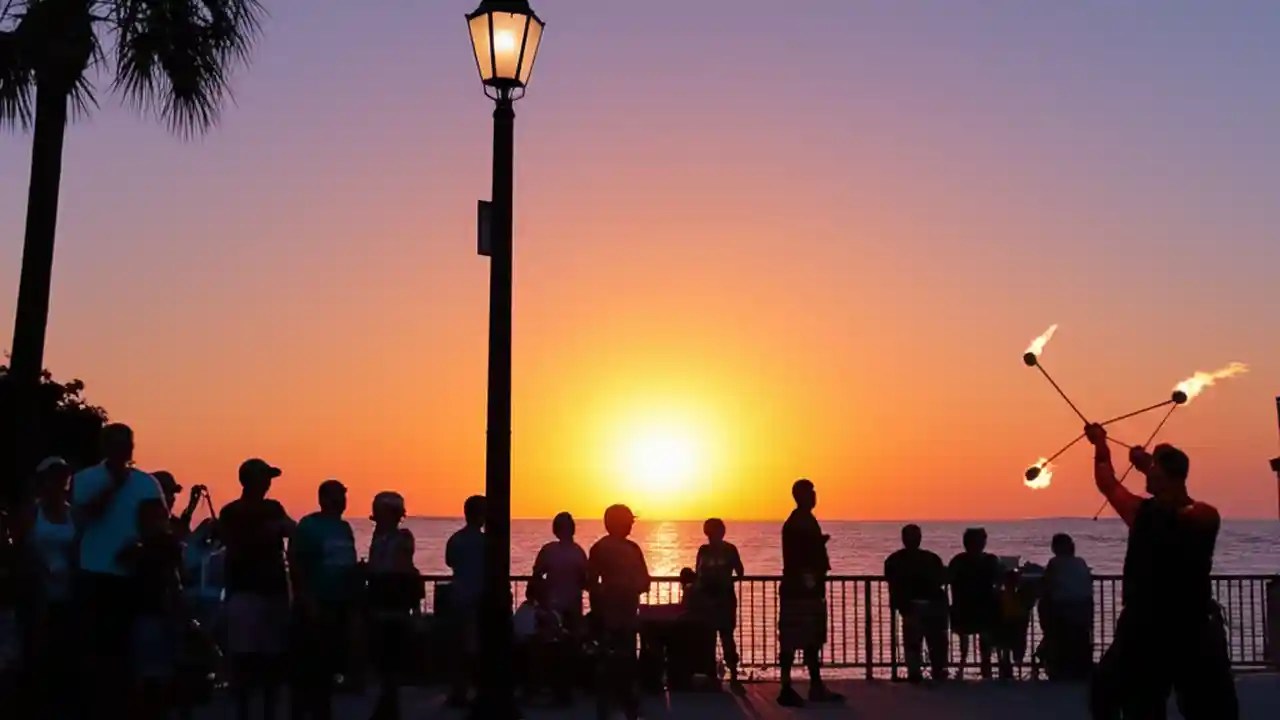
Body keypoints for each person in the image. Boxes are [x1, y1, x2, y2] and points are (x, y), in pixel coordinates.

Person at [1085, 424, 1238, 719]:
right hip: (1184, 625)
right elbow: (1110, 483)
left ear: (1163, 474)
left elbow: (1109, 483)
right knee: (1126, 696)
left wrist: (1101, 446)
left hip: (1155, 627)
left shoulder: (1160, 514)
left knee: (1134, 699)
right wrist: (1111, 450)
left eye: (1155, 468)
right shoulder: (1201, 515)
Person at [70, 423, 165, 714]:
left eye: (127, 444)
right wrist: (114, 486)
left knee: (130, 655)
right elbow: (83, 519)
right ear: (105, 447)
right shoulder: (85, 479)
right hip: (94, 575)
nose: (122, 450)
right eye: (116, 443)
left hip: (132, 578)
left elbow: (157, 527)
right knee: (97, 655)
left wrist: (140, 548)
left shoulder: (147, 483)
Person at [220, 458, 295, 720]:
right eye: (265, 478)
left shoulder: (272, 508)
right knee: (247, 659)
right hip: (246, 592)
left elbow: (291, 529)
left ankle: (265, 713)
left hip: (269, 592)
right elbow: (232, 544)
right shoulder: (233, 512)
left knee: (269, 659)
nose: (268, 484)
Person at [289, 479, 359, 720]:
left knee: (330, 663)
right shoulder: (309, 526)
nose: (341, 501)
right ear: (323, 499)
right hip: (316, 604)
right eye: (336, 496)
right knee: (310, 665)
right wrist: (307, 600)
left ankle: (322, 710)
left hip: (340, 604)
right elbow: (297, 564)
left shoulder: (345, 528)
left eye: (343, 495)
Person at [15, 457, 77, 716]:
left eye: (63, 477)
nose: (60, 483)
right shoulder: (31, 513)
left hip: (66, 598)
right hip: (36, 597)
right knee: (34, 656)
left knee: (62, 659)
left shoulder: (74, 514)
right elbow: (18, 549)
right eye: (54, 477)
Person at [777, 479, 843, 707]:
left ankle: (810, 685)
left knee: (806, 640)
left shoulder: (802, 521)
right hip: (803, 590)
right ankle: (790, 687)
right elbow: (802, 554)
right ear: (800, 496)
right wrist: (818, 544)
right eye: (810, 493)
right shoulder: (800, 522)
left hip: (800, 589)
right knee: (798, 640)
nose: (814, 497)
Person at [587, 504, 650, 720]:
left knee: (606, 663)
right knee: (626, 663)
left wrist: (598, 608)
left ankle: (608, 708)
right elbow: (645, 582)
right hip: (625, 616)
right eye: (630, 521)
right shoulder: (632, 549)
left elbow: (591, 583)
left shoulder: (599, 548)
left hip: (608, 616)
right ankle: (627, 706)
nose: (632, 525)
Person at [366, 491, 421, 720]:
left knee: (390, 655)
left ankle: (388, 707)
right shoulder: (380, 538)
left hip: (392, 597)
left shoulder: (400, 538)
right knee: (384, 656)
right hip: (383, 596)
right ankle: (387, 705)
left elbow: (402, 568)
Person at [129, 497, 184, 720]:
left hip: (159, 614)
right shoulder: (157, 545)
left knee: (156, 676)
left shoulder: (155, 545)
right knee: (155, 676)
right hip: (151, 614)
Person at [531, 512, 587, 704]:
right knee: (569, 648)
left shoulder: (548, 550)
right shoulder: (578, 552)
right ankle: (565, 689)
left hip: (554, 606)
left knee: (552, 649)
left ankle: (555, 687)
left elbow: (537, 574)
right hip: (570, 605)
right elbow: (585, 580)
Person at [883, 524, 948, 682]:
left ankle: (917, 672)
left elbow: (892, 582)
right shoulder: (930, 558)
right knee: (932, 641)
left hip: (916, 607)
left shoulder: (895, 559)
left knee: (917, 642)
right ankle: (934, 670)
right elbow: (942, 578)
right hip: (922, 607)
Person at [444, 495, 486, 708]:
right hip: (477, 599)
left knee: (458, 648)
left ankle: (457, 691)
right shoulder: (484, 542)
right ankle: (475, 690)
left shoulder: (456, 539)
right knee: (475, 649)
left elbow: (449, 561)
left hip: (458, 596)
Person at [695, 517, 745, 692]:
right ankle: (730, 677)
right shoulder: (728, 550)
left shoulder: (706, 551)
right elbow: (740, 572)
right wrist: (726, 579)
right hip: (720, 598)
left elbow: (698, 574)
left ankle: (721, 676)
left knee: (714, 638)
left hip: (714, 599)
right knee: (723, 637)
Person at [948, 527, 1001, 679]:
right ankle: (986, 667)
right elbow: (999, 579)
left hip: (963, 609)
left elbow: (947, 578)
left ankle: (962, 667)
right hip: (983, 609)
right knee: (986, 639)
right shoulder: (990, 560)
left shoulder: (958, 560)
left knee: (966, 640)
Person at [1039, 533, 1093, 681]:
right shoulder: (1081, 562)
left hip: (1063, 610)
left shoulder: (1054, 563)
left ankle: (1050, 650)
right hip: (1083, 610)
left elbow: (1047, 584)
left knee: (1045, 605)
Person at [153, 470, 205, 540]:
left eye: (173, 493)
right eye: (169, 493)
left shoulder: (174, 523)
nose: (173, 499)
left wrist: (190, 508)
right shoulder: (147, 525)